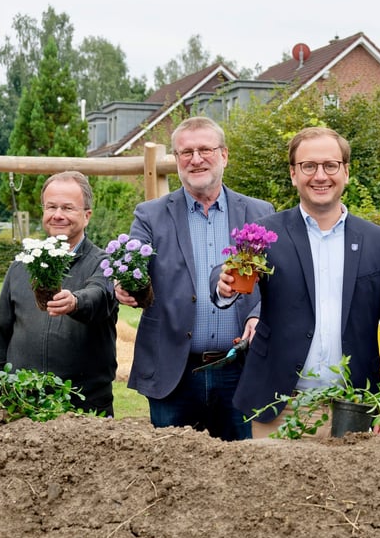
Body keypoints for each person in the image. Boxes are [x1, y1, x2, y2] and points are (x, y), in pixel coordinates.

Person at [216, 126, 380, 437]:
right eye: (309, 166)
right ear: (294, 174)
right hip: (279, 406)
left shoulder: (378, 242)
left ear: (346, 172)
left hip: (356, 406)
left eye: (330, 165)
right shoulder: (265, 236)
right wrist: (223, 284)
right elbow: (229, 276)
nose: (320, 176)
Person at [117, 116, 274, 439]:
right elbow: (130, 265)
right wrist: (122, 284)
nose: (196, 159)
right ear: (176, 160)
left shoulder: (259, 212)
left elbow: (276, 283)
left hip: (239, 370)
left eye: (205, 149)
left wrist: (259, 313)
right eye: (186, 152)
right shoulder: (150, 215)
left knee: (242, 473)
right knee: (173, 477)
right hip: (174, 371)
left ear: (224, 156)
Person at [0, 171, 119, 416]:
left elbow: (99, 296)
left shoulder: (104, 264)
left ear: (86, 216)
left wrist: (75, 302)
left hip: (84, 405)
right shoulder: (21, 265)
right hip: (22, 403)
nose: (58, 215)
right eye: (51, 207)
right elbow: (0, 332)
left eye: (68, 208)